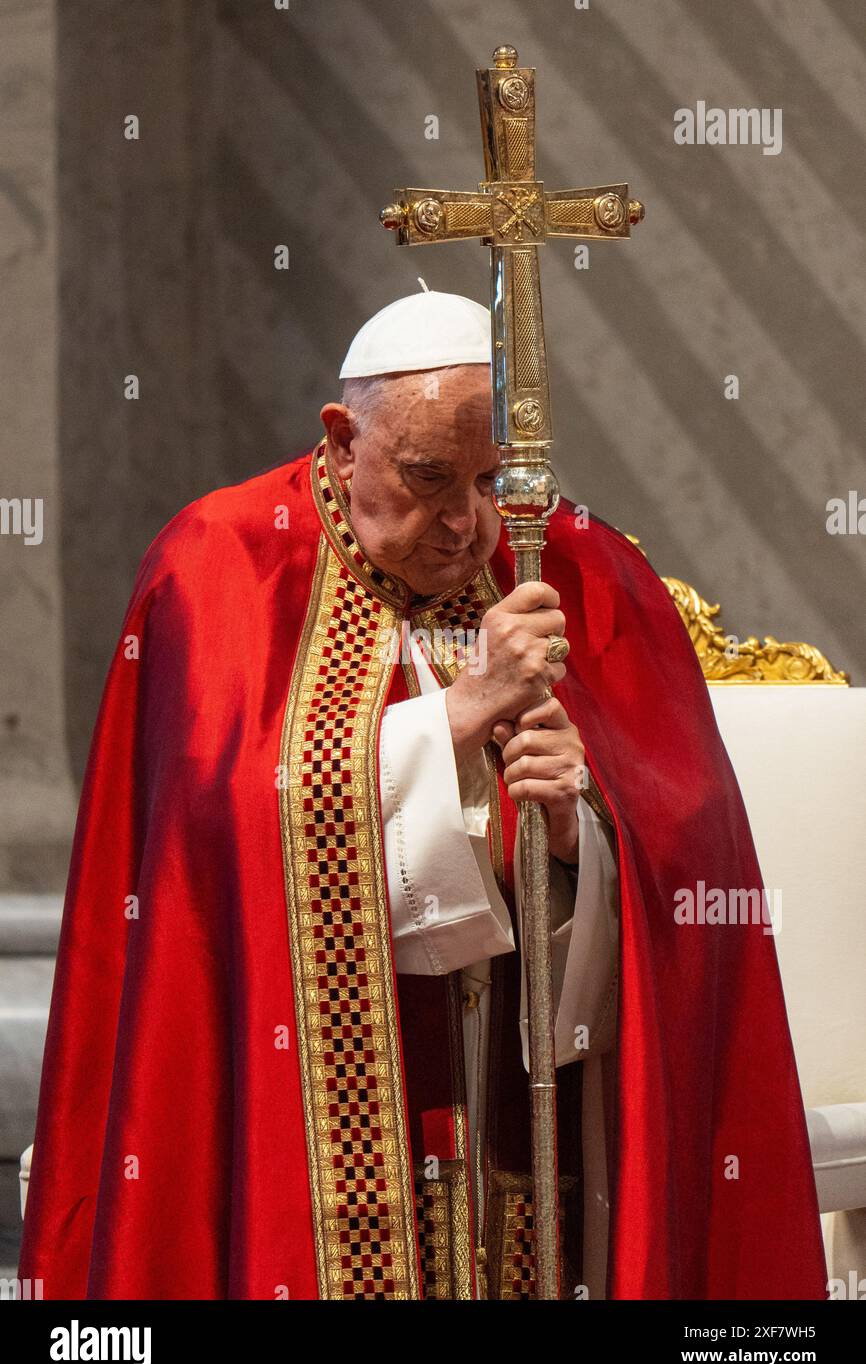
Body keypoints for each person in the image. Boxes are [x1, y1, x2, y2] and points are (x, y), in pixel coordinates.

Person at [18, 288, 827, 1300]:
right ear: (343, 438)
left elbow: (689, 834)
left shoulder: (576, 565)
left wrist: (581, 832)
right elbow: (217, 830)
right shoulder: (220, 560)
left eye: (492, 478)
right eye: (428, 477)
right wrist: (464, 708)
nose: (466, 522)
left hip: (525, 1115)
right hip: (305, 1113)